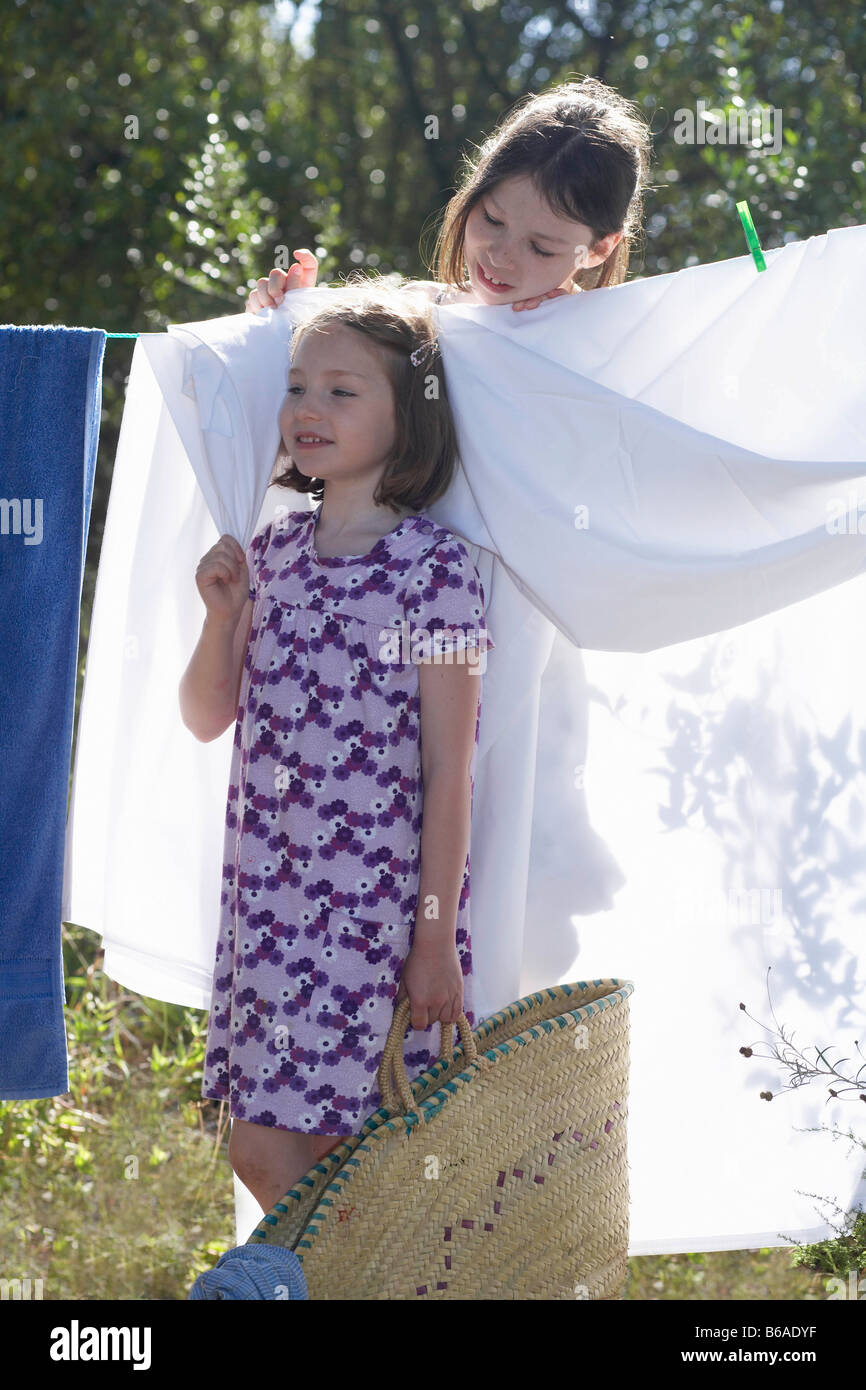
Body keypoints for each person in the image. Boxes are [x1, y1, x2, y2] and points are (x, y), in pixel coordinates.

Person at [179, 284, 494, 1214]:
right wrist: (222, 619)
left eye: (342, 391)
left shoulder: (437, 571)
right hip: (271, 906)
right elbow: (205, 718)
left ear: (409, 418)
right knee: (265, 1151)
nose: (307, 409)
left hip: (376, 916)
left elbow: (450, 775)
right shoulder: (269, 553)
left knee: (357, 1162)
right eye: (296, 387)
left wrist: (433, 939)